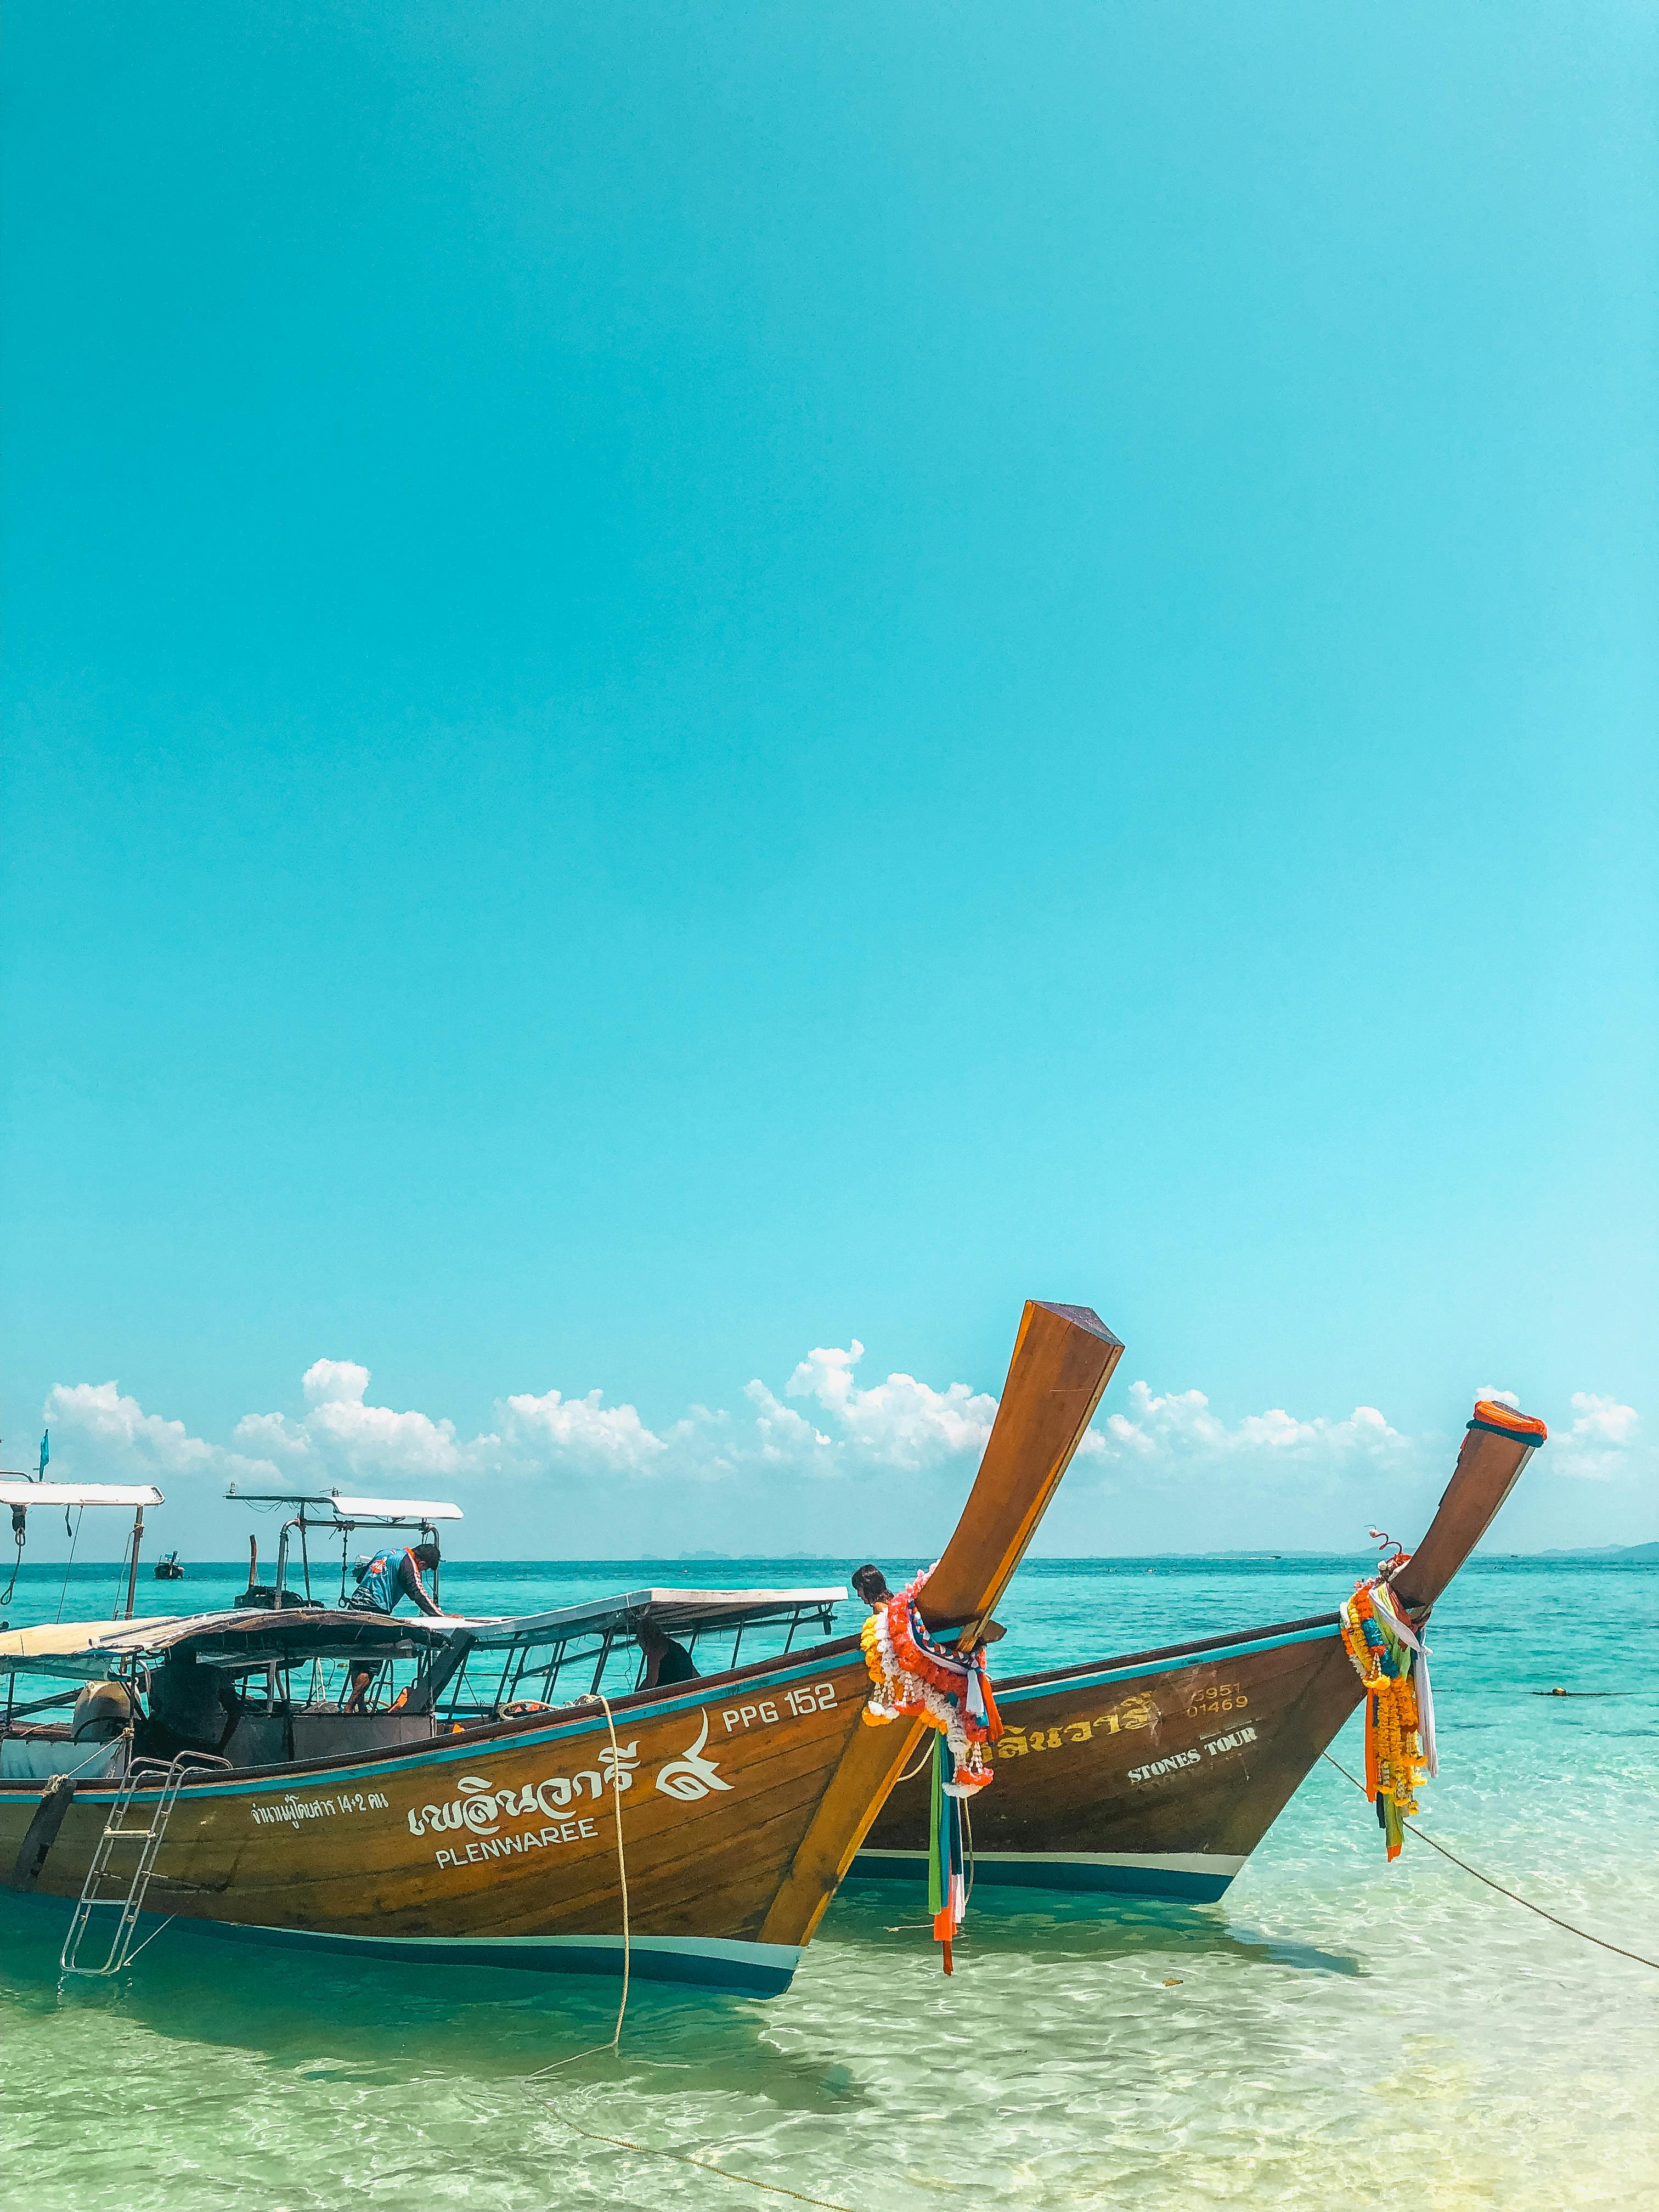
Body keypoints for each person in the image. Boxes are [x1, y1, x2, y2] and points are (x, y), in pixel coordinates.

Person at [342, 1539, 445, 1712]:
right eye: (424, 1569)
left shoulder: (385, 1552)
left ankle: (360, 1709)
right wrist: (441, 1616)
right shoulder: (408, 1563)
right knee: (372, 1664)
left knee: (358, 1659)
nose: (421, 1572)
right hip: (374, 1613)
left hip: (354, 1608)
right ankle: (349, 1707)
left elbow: (362, 1577)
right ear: (421, 1563)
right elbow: (418, 1593)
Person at [135, 1646, 241, 1762]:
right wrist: (222, 1746)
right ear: (194, 1655)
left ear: (170, 1656)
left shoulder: (162, 1675)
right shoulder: (215, 1673)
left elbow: (155, 1704)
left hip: (168, 1742)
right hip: (207, 1742)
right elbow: (235, 1711)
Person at [637, 1616, 698, 1689]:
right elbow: (695, 1674)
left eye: (643, 1648)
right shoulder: (677, 1647)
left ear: (647, 1640)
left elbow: (651, 1682)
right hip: (686, 1689)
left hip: (671, 1692)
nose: (645, 1654)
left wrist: (635, 1696)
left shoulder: (656, 1649)